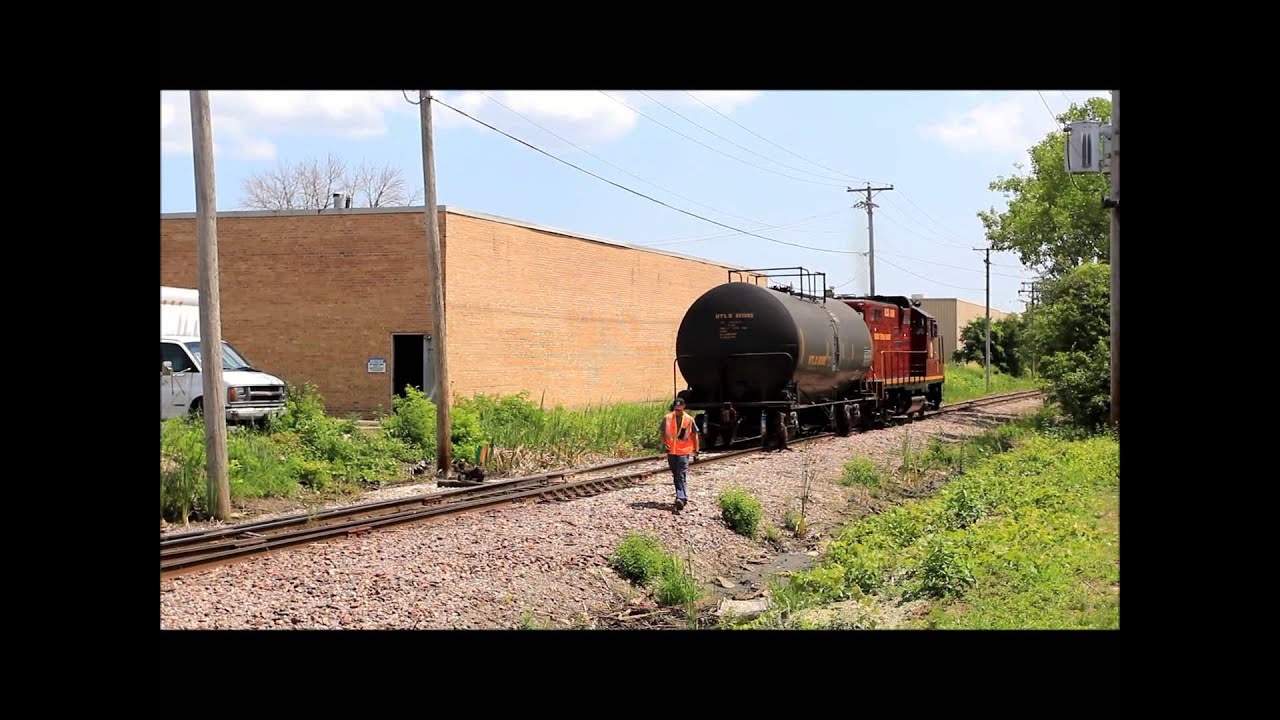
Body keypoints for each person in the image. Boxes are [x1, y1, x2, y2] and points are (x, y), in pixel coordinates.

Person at [660, 397, 699, 513]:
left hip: (684, 451)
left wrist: (696, 451)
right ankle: (683, 496)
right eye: (676, 409)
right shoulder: (667, 418)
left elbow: (694, 435)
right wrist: (664, 444)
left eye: (679, 409)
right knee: (676, 475)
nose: (677, 411)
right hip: (671, 451)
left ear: (684, 407)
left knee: (680, 474)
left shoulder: (689, 419)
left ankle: (680, 497)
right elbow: (662, 433)